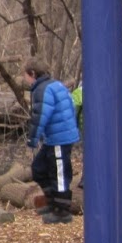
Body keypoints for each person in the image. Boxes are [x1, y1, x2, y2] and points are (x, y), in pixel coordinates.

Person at [24, 59, 80, 223]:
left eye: (26, 75)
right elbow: (72, 106)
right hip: (56, 137)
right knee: (39, 168)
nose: (25, 79)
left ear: (33, 74)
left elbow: (40, 116)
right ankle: (52, 201)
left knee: (59, 174)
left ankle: (62, 211)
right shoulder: (57, 85)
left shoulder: (42, 90)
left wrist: (32, 139)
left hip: (59, 139)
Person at [71, 83, 122, 192]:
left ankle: (88, 178)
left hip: (90, 128)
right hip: (114, 128)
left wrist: (73, 130)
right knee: (114, 152)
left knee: (92, 152)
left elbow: (72, 111)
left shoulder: (81, 92)